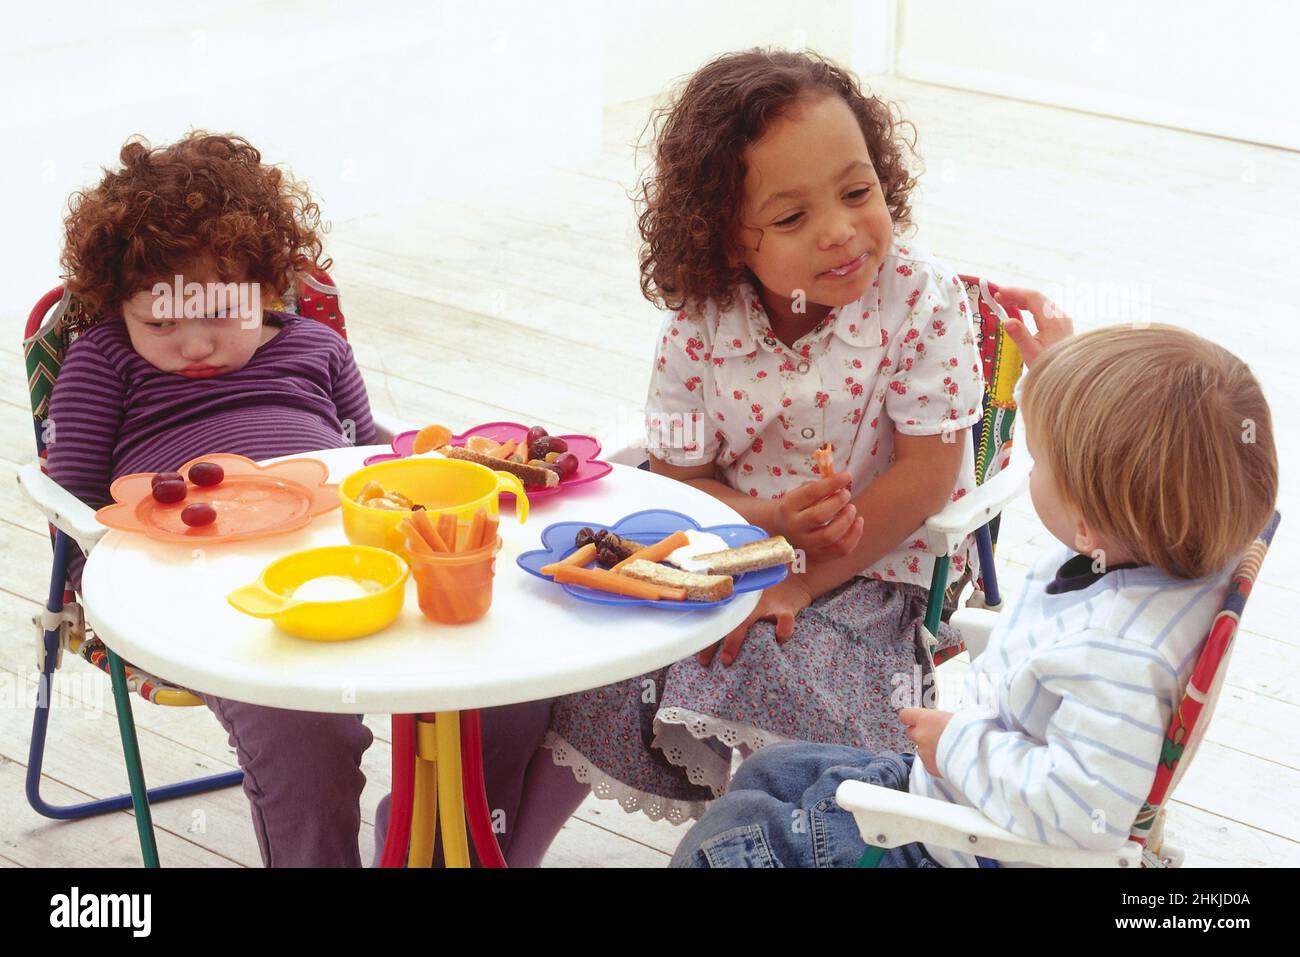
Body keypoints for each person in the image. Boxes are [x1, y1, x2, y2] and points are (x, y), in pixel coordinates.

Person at [48, 132, 552, 866]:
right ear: (120, 308)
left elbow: (370, 453)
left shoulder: (313, 346)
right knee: (299, 724)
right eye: (159, 321)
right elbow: (75, 490)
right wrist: (115, 576)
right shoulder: (106, 360)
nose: (191, 345)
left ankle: (442, 842)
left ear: (267, 283)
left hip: (344, 555)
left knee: (508, 676)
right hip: (201, 585)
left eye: (219, 313)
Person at [541, 48, 992, 825]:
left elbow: (925, 475)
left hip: (873, 570)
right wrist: (775, 521)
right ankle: (498, 837)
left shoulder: (920, 303)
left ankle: (785, 831)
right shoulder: (699, 326)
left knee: (770, 656)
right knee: (598, 660)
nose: (842, 232)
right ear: (724, 238)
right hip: (732, 546)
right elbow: (681, 479)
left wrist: (805, 575)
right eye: (792, 217)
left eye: (859, 191)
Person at [670, 304, 1279, 867]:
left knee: (723, 843)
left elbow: (1080, 814)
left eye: (1040, 463)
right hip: (960, 786)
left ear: (1090, 519)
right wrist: (1067, 384)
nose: (1032, 469)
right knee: (774, 771)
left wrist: (955, 746)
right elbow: (1146, 463)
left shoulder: (1116, 657)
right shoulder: (1170, 546)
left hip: (958, 842)